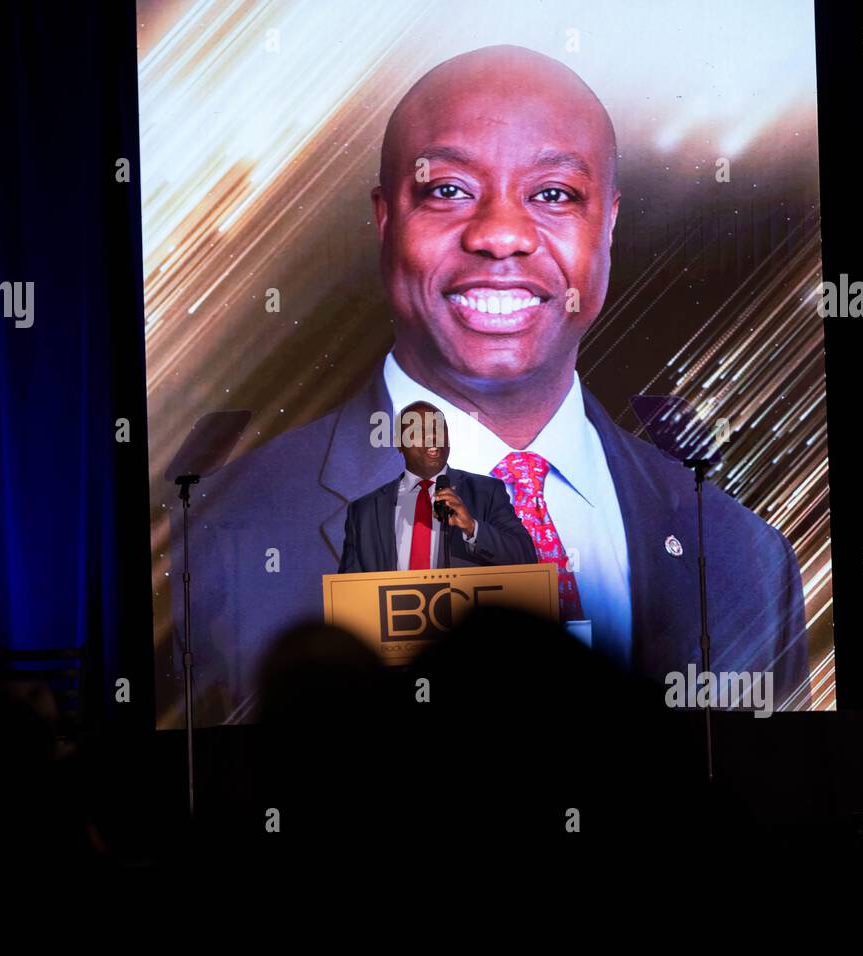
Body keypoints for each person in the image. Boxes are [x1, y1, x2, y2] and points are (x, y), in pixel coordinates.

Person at [180, 45, 808, 715]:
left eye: (554, 194)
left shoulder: (748, 561)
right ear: (384, 217)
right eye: (448, 190)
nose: (502, 235)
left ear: (609, 224)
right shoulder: (220, 540)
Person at [337, 401, 536, 573]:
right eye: (418, 431)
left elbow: (525, 557)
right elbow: (349, 588)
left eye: (439, 429)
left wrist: (471, 528)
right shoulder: (365, 511)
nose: (433, 437)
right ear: (399, 443)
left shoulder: (486, 492)